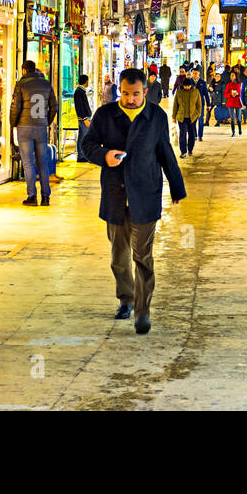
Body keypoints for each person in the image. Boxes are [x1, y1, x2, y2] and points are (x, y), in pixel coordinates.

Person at [79, 68, 187, 334]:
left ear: (145, 93)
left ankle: (142, 310)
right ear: (119, 91)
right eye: (125, 94)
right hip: (115, 194)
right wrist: (104, 156)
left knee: (143, 257)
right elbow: (87, 145)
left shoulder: (156, 117)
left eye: (136, 94)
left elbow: (165, 151)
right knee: (119, 258)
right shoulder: (105, 115)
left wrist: (176, 187)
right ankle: (126, 299)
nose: (130, 99)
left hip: (145, 194)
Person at [10, 61, 58, 207]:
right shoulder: (46, 84)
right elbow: (54, 106)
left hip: (24, 127)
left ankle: (32, 196)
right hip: (41, 126)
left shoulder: (21, 84)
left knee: (28, 163)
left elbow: (15, 106)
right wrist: (47, 121)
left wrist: (13, 123)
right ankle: (45, 197)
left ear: (24, 70)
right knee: (43, 162)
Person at [172, 71, 203, 158]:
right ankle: (183, 151)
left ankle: (190, 149)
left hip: (192, 117)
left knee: (192, 134)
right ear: (183, 85)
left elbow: (199, 104)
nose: (187, 87)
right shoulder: (179, 92)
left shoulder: (195, 91)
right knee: (182, 134)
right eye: (185, 86)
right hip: (181, 117)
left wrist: (198, 114)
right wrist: (173, 117)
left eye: (188, 86)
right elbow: (175, 105)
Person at [74, 73, 93, 155]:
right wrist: (84, 119)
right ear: (86, 81)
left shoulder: (81, 91)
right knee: (86, 137)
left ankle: (81, 155)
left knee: (82, 137)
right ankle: (83, 155)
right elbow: (79, 107)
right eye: (88, 80)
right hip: (83, 119)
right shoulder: (79, 92)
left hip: (84, 118)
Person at [192, 66, 210, 141]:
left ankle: (200, 135)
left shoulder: (203, 83)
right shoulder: (189, 81)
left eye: (196, 73)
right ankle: (194, 135)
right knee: (192, 120)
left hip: (200, 104)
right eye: (193, 73)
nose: (194, 75)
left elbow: (206, 94)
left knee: (201, 120)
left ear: (199, 74)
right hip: (192, 104)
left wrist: (208, 104)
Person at [224, 71, 243, 136]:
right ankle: (233, 132)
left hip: (238, 102)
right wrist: (230, 94)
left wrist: (238, 94)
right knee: (232, 118)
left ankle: (240, 129)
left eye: (233, 75)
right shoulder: (228, 84)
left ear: (236, 76)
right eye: (231, 75)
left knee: (238, 118)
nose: (231, 77)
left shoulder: (239, 84)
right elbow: (225, 94)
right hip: (230, 102)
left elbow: (242, 93)